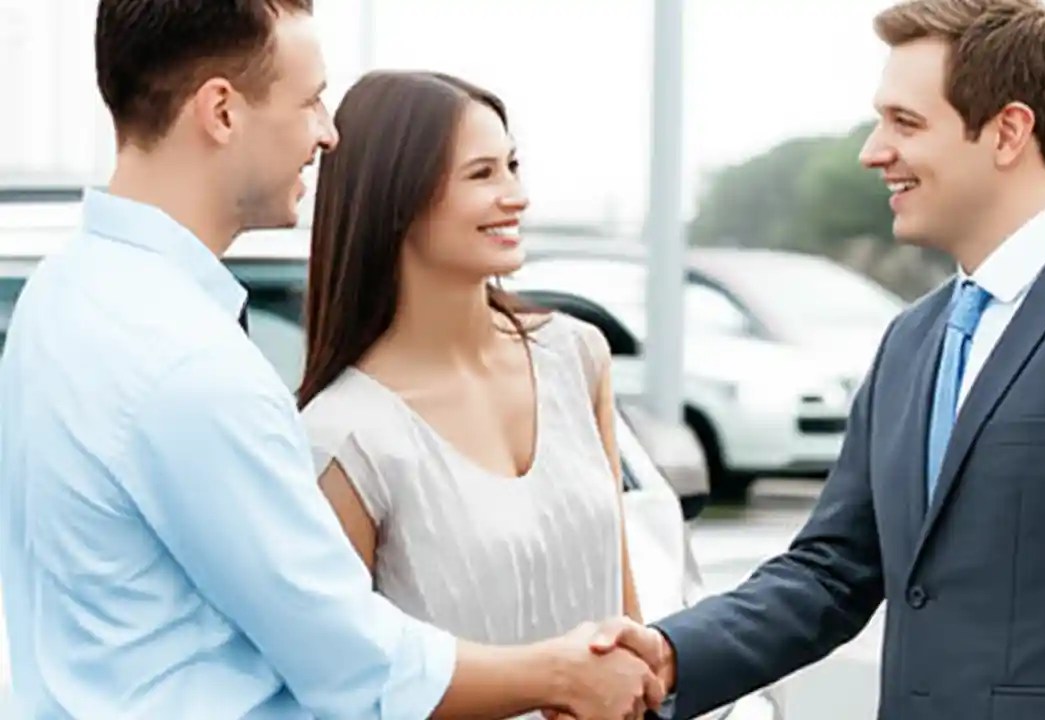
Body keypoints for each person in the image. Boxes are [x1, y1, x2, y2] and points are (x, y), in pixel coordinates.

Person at [599, 1, 1045, 718]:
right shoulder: (911, 339)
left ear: (1008, 131)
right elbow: (832, 571)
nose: (873, 150)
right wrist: (668, 654)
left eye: (905, 123)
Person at [0, 2, 661, 718]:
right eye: (311, 99)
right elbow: (353, 664)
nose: (329, 132)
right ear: (221, 111)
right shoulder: (192, 364)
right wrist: (558, 675)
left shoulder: (58, 297)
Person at [295, 69, 644, 718]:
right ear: (398, 197)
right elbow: (349, 686)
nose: (516, 196)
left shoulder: (576, 356)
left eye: (513, 166)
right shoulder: (342, 436)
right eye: (483, 174)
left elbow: (627, 617)